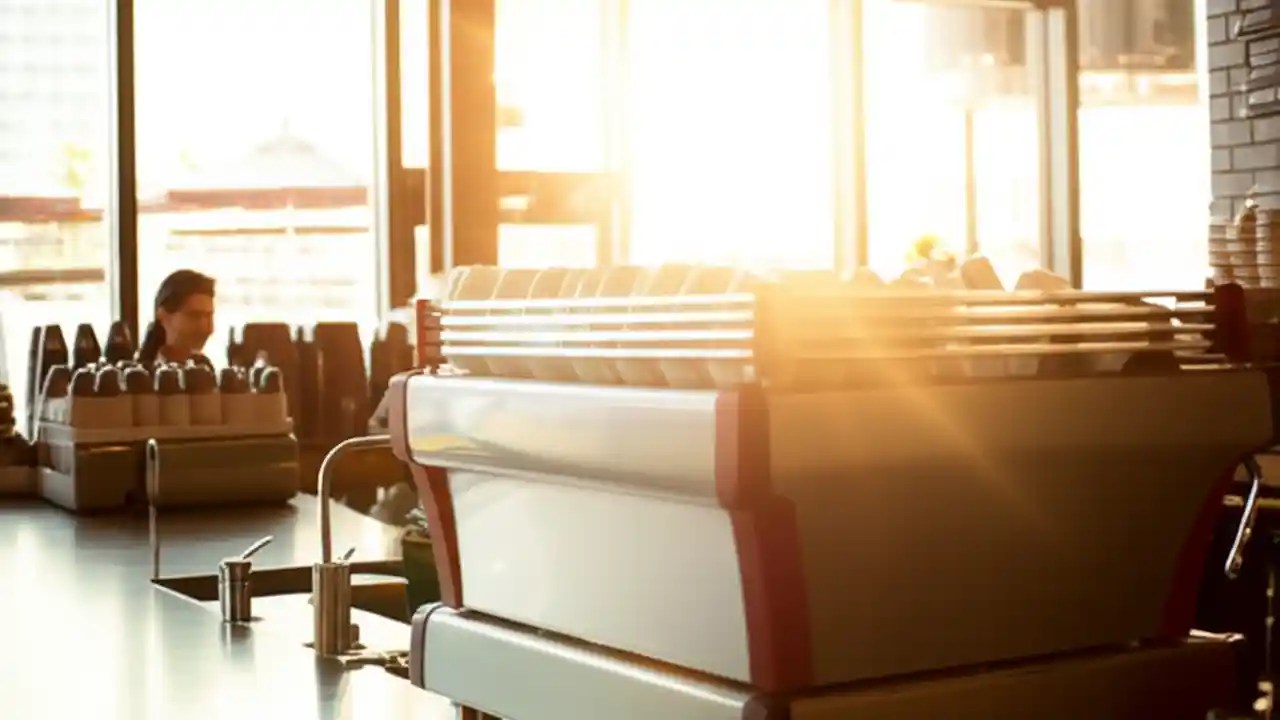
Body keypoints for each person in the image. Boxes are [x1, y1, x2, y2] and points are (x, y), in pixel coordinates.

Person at [138, 269, 216, 366]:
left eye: (209, 316)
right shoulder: (139, 373)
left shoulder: (204, 368)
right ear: (163, 316)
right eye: (195, 316)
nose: (207, 329)